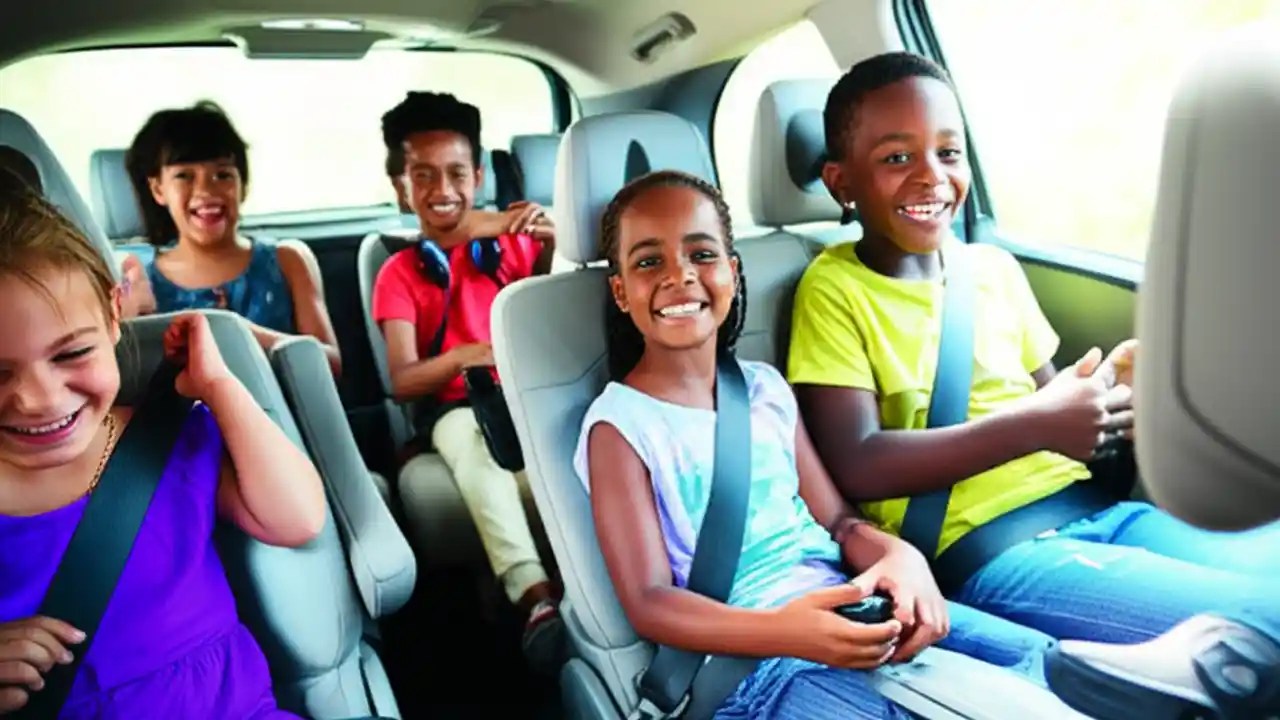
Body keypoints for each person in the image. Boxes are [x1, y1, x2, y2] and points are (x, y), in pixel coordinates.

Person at [787, 51, 1278, 646]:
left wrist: (1111, 397)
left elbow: (1055, 412)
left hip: (1098, 510)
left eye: (948, 152)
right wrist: (1039, 427)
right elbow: (856, 463)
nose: (932, 176)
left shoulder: (990, 270)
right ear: (842, 183)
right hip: (995, 548)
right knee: (1256, 624)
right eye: (897, 158)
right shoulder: (834, 287)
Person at [576, 169, 1057, 719]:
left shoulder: (763, 390)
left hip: (850, 605)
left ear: (732, 273)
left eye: (702, 255)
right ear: (621, 291)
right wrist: (785, 631)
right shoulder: (620, 425)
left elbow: (837, 522)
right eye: (648, 262)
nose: (679, 276)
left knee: (1045, 666)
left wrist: (900, 556)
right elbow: (649, 602)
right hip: (753, 660)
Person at [0, 173, 325, 717]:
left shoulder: (166, 439)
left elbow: (297, 518)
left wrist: (219, 388)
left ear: (112, 314)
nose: (37, 399)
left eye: (70, 354)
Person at [372, 91, 560, 664]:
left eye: (456, 173)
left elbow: (555, 324)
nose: (442, 189)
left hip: (524, 400)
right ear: (401, 186)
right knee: (477, 455)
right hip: (454, 409)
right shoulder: (399, 271)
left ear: (478, 176)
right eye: (422, 175)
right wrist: (464, 357)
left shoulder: (516, 245)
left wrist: (552, 243)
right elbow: (402, 381)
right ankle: (534, 597)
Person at [123, 101, 342, 376]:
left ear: (243, 185)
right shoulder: (141, 280)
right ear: (158, 190)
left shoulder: (287, 260)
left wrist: (235, 332)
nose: (205, 190)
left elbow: (330, 365)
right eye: (184, 176)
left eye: (222, 175)